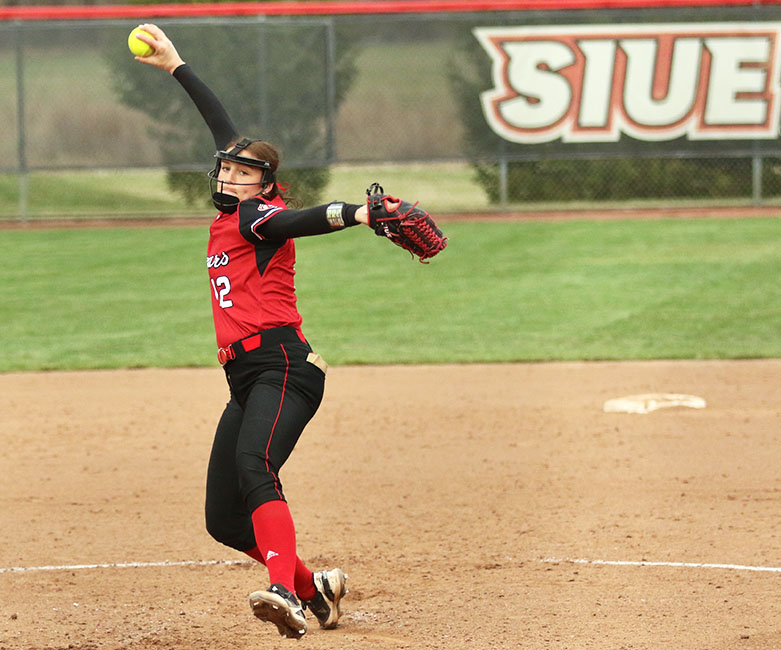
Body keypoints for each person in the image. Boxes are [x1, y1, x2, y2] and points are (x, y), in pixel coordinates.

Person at [132, 23, 383, 640]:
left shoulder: (257, 216)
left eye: (243, 173)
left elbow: (302, 220)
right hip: (245, 377)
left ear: (265, 185)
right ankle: (314, 591)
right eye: (227, 169)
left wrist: (356, 213)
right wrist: (175, 64)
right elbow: (220, 123)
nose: (229, 176)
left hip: (284, 367)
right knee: (224, 518)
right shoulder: (235, 204)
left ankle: (282, 593)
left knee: (256, 465)